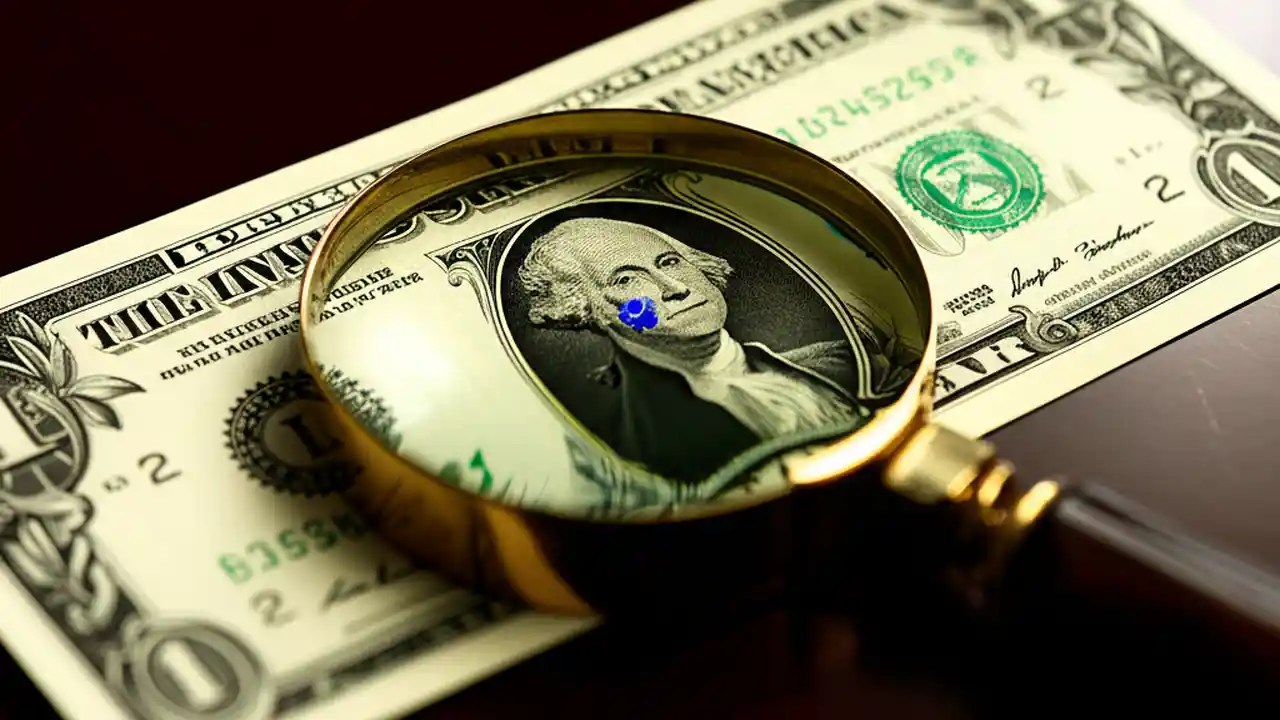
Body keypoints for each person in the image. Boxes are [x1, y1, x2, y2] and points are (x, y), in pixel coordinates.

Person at [516, 216, 908, 486]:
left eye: (670, 261)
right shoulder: (627, 449)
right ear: (584, 310)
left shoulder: (841, 361)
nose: (674, 287)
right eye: (627, 279)